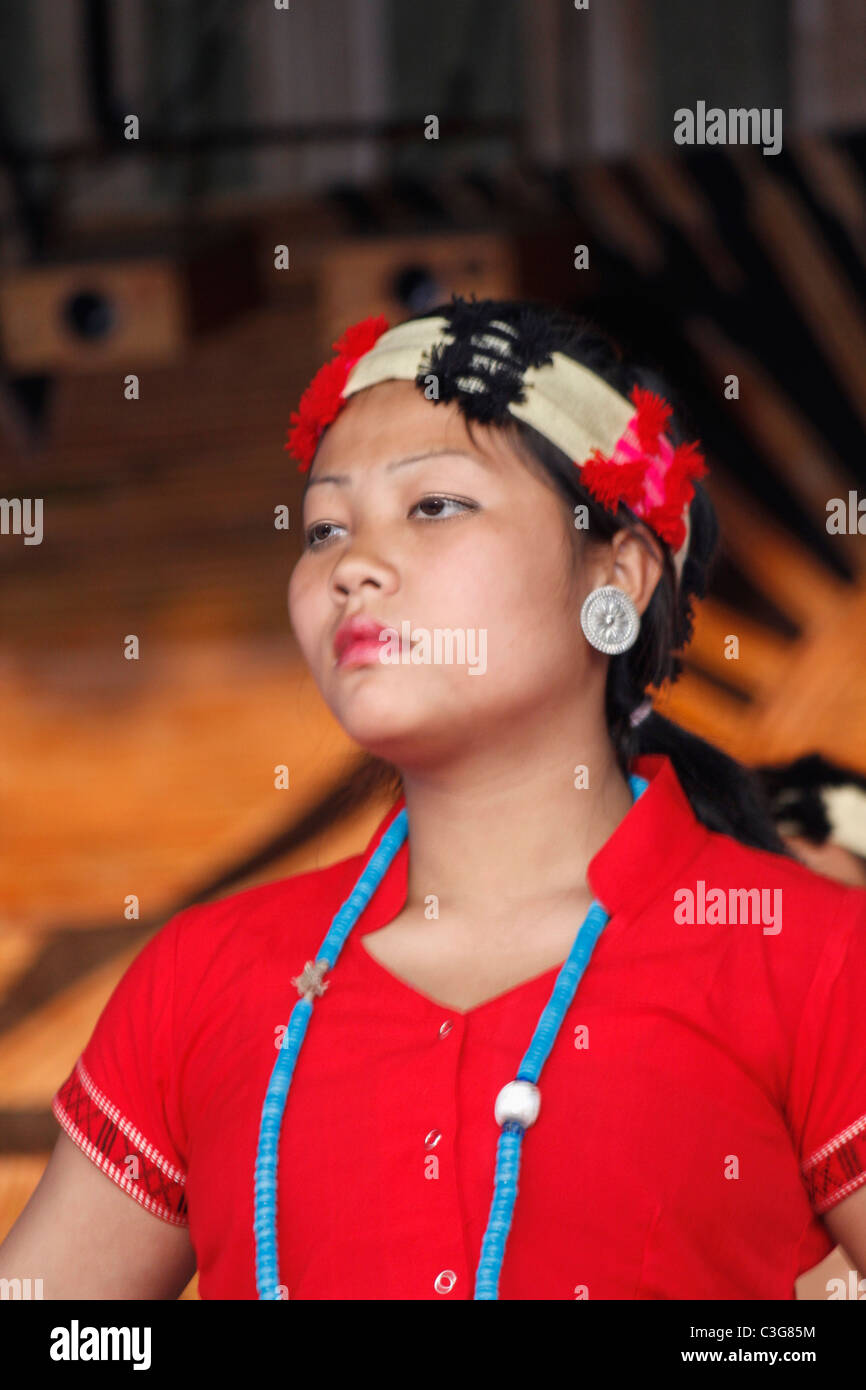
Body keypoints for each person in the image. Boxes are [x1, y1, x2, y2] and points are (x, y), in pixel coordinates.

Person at [2, 296, 865, 1300]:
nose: (350, 567)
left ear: (617, 575)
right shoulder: (206, 978)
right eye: (323, 528)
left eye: (433, 506)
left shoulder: (810, 959)